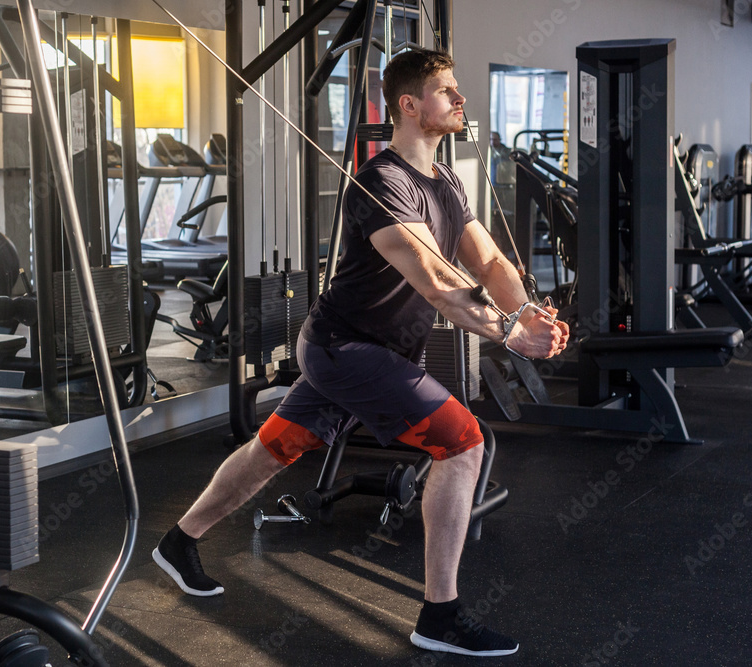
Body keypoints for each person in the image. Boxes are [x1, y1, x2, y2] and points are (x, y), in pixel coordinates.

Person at [152, 48, 569, 658]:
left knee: (274, 450)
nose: (459, 99)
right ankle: (440, 615)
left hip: (357, 351)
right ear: (409, 104)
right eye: (446, 90)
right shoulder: (382, 183)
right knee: (463, 443)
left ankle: (179, 542)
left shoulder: (445, 180)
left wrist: (525, 309)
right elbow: (433, 278)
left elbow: (488, 261)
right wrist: (508, 334)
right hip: (347, 349)